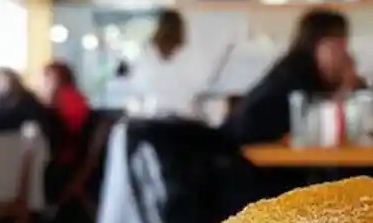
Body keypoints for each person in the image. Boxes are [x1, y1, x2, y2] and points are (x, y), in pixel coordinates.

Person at [227, 8, 354, 144]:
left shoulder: (296, 66)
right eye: (338, 45)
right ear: (317, 45)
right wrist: (345, 86)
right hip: (246, 152)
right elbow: (322, 124)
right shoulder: (297, 74)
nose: (344, 54)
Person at [127, 9, 205, 117]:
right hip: (183, 116)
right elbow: (197, 84)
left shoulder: (147, 52)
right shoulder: (188, 53)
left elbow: (137, 86)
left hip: (153, 115)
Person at [41, 61, 91, 166]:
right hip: (77, 152)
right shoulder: (77, 96)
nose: (43, 84)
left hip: (64, 155)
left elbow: (62, 131)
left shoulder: (64, 98)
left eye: (47, 78)